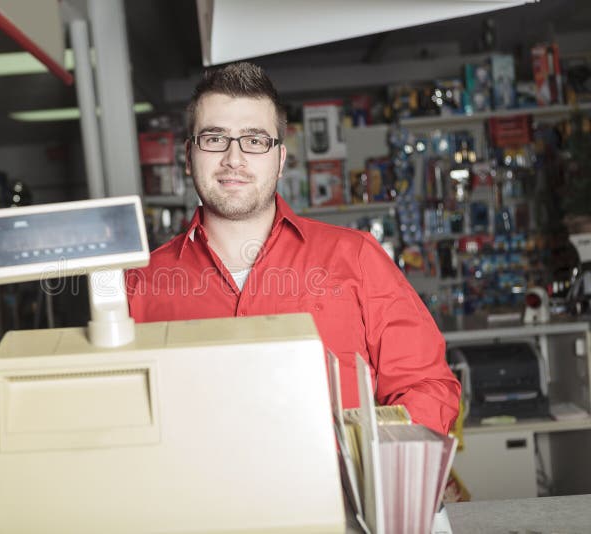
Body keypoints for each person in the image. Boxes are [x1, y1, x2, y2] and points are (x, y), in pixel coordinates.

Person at [126, 62, 460, 435]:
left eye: (254, 141)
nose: (233, 159)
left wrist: (376, 470)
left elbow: (426, 386)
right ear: (189, 157)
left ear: (280, 159)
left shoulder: (356, 257)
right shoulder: (138, 284)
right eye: (214, 138)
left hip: (341, 492)